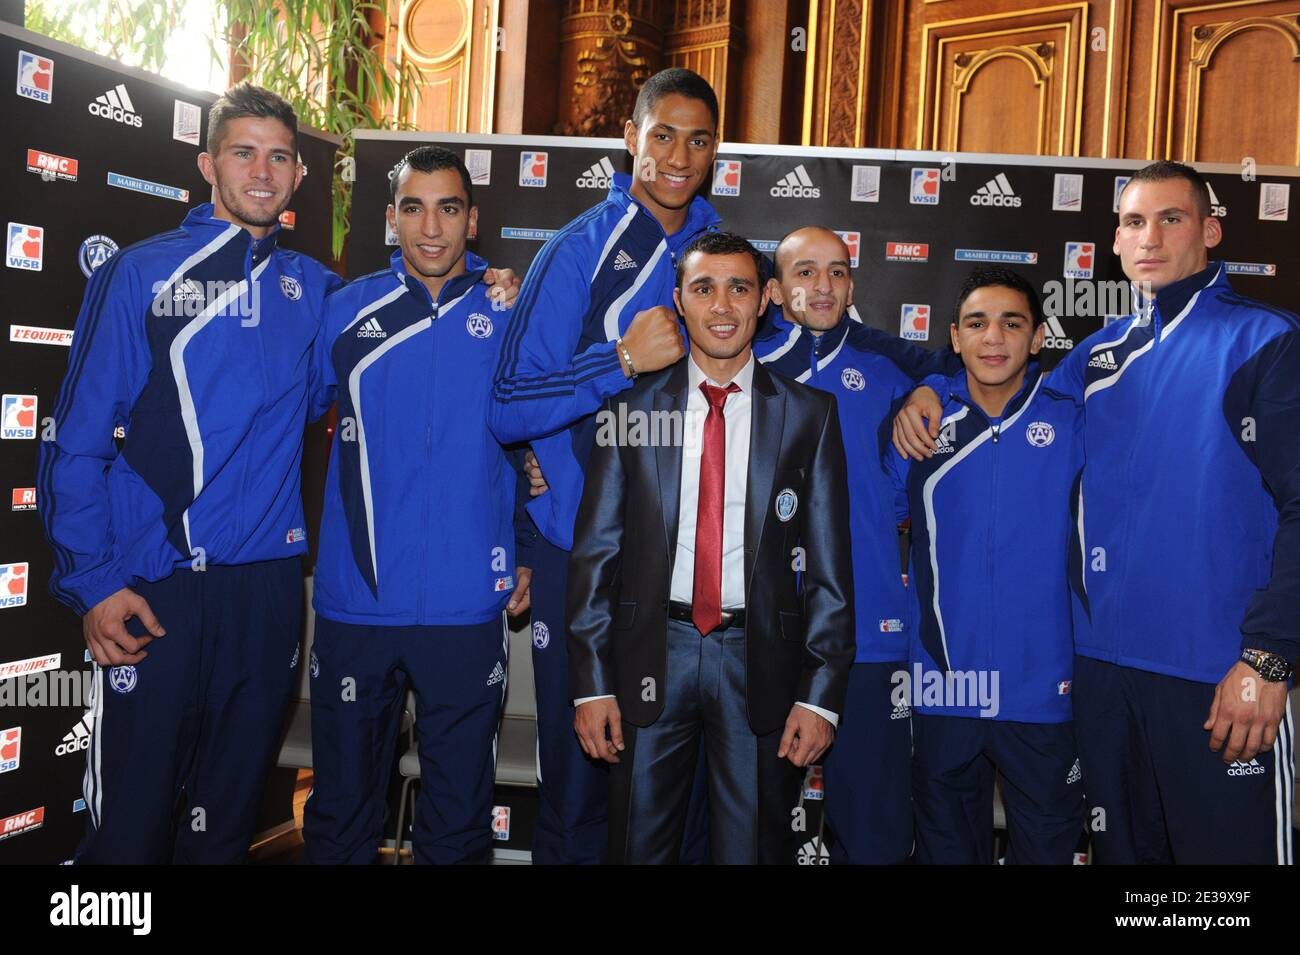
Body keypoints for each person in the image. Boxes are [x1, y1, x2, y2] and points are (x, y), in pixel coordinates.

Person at [894, 161, 1299, 864]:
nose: (1152, 236)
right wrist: (929, 387)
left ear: (1211, 230)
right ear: (1116, 240)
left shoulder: (1268, 340)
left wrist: (1268, 657)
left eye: (1172, 218)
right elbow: (1001, 378)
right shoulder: (1099, 354)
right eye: (1136, 221)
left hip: (1218, 673)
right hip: (1103, 679)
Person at [37, 84, 343, 864]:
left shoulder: (313, 290)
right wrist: (96, 583)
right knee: (129, 833)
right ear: (209, 164)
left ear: (300, 174)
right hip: (157, 588)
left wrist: (490, 283)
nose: (263, 172)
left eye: (280, 155)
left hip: (268, 591)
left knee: (226, 825)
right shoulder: (141, 275)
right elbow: (76, 444)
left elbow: (402, 340)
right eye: (244, 152)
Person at [489, 67, 722, 864]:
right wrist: (619, 358)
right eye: (662, 134)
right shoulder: (576, 249)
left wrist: (929, 386)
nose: (678, 155)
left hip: (691, 563)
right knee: (579, 789)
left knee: (681, 794)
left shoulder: (724, 258)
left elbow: (797, 371)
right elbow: (509, 403)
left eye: (697, 139)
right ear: (630, 137)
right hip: (581, 555)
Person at [568, 231, 856, 864]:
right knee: (637, 847)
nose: (722, 306)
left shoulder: (809, 415)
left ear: (766, 300)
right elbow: (595, 558)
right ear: (679, 300)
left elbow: (831, 570)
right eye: (704, 289)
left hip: (758, 659)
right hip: (652, 653)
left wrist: (819, 693)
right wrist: (590, 685)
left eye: (739, 288)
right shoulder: (632, 408)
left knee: (752, 850)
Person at [302, 146, 527, 864]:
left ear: (474, 220)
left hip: (465, 610)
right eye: (414, 206)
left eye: (449, 207)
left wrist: (523, 547)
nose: (431, 226)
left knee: (458, 826)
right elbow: (273, 420)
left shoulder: (507, 313)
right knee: (340, 817)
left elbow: (545, 442)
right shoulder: (341, 311)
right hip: (355, 607)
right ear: (390, 217)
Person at [755, 226, 960, 864]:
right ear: (774, 290)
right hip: (761, 634)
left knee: (874, 833)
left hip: (870, 633)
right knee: (749, 827)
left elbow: (976, 366)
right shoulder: (738, 360)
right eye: (806, 272)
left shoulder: (888, 362)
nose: (823, 286)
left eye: (838, 272)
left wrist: (933, 389)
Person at [887, 267, 1084, 864]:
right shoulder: (917, 428)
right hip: (946, 686)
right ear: (954, 336)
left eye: (1011, 323)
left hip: (1046, 689)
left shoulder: (1077, 419)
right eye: (977, 323)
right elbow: (871, 529)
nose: (993, 338)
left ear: (1038, 337)